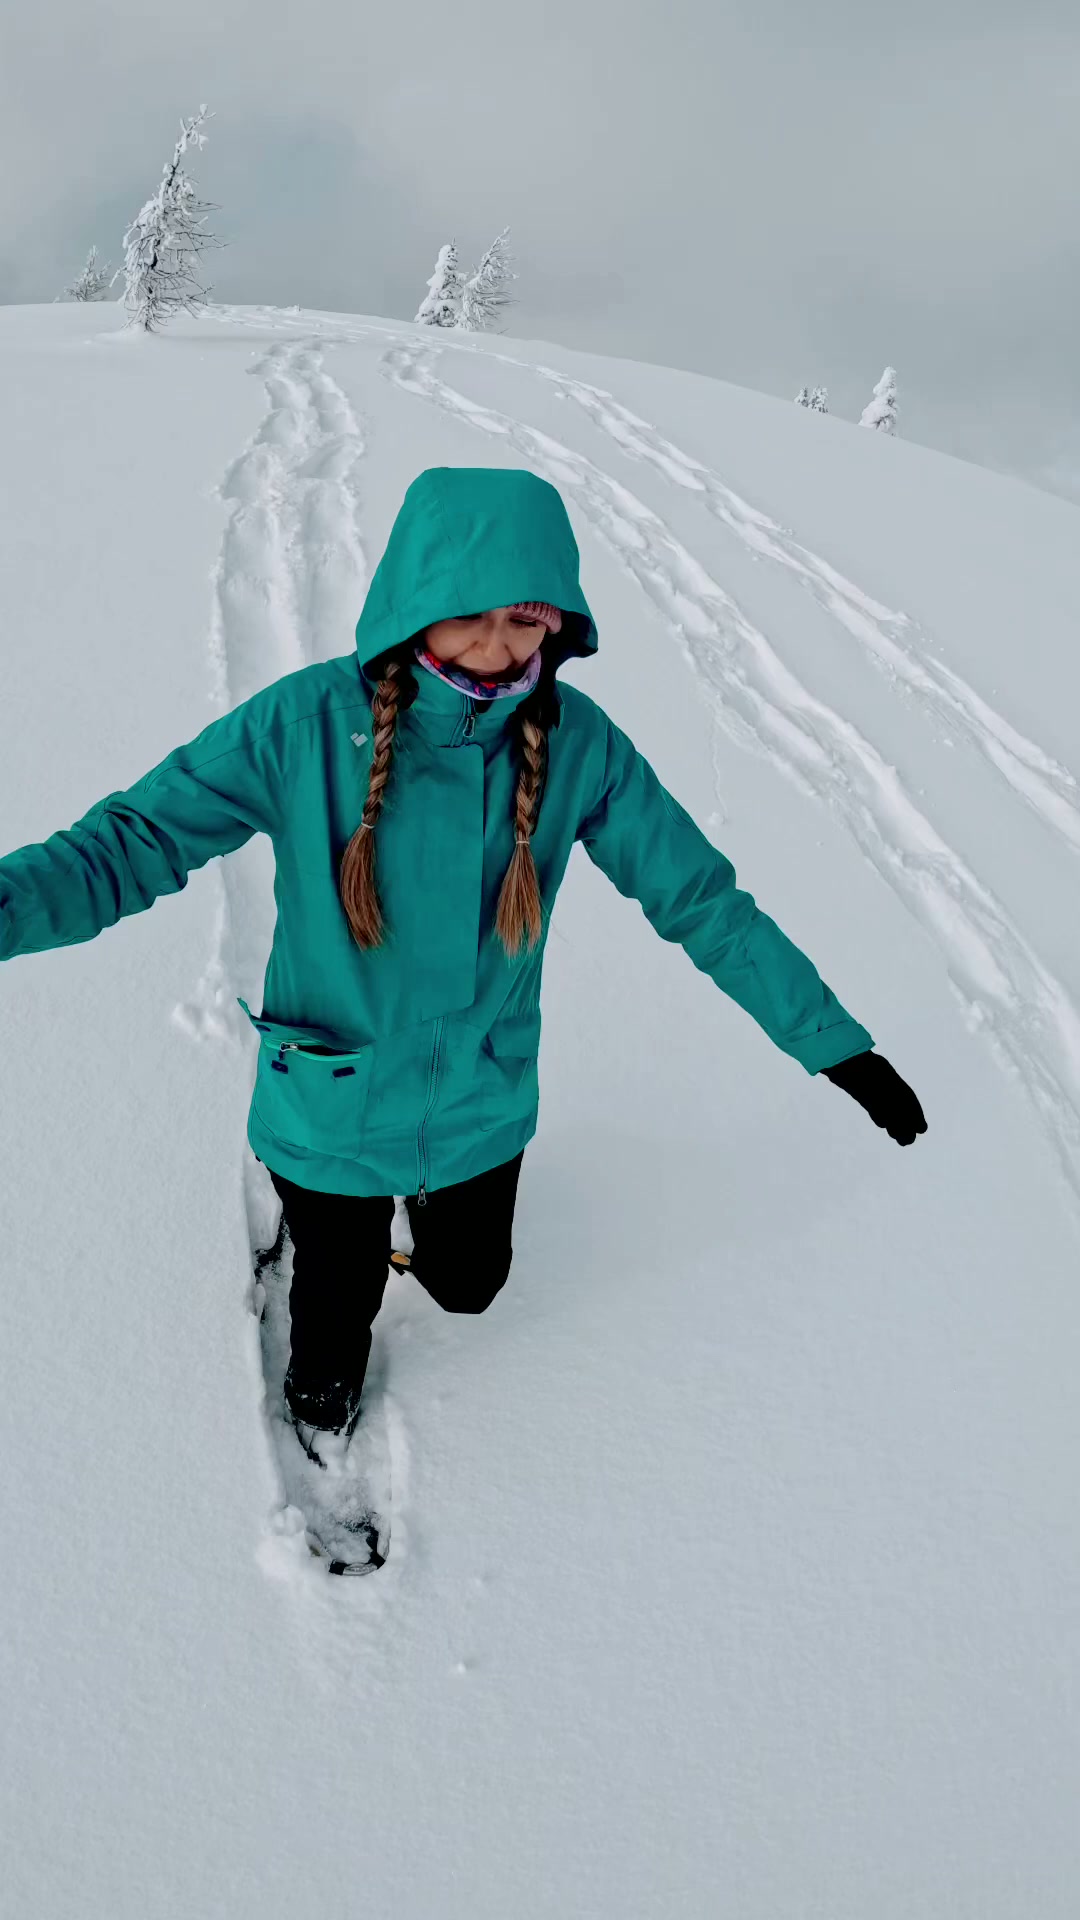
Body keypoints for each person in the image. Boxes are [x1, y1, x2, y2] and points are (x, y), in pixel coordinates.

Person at [0, 465, 926, 1449]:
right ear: (415, 603)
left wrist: (836, 1047)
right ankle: (321, 1352)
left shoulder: (582, 748)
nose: (496, 647)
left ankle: (406, 1242)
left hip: (481, 1101)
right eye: (469, 616)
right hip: (334, 1099)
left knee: (470, 1288)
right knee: (336, 1298)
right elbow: (126, 843)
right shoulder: (302, 726)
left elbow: (702, 901)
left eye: (525, 621)